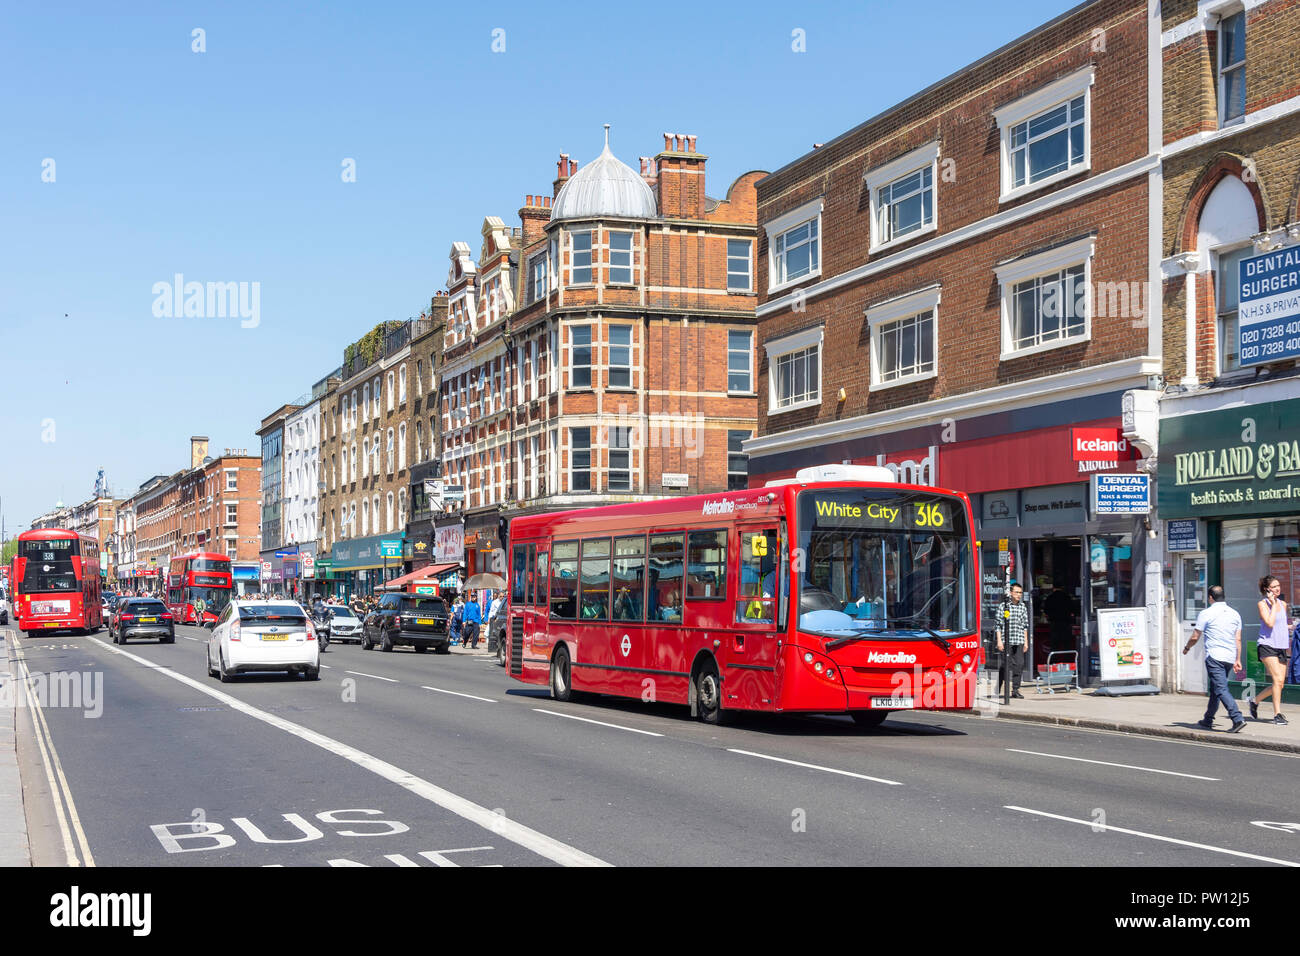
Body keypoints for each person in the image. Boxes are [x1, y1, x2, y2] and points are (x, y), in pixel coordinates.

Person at [1183, 584, 1246, 733]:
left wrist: (1187, 648)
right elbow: (1238, 639)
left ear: (1210, 597)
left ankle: (1237, 718)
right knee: (1216, 689)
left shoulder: (1206, 613)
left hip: (1215, 657)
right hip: (1230, 657)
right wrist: (1238, 659)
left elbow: (1195, 636)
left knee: (1221, 688)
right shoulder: (1235, 614)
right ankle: (1208, 719)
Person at [1247, 576, 1289, 725]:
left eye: (1279, 585)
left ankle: (1254, 701)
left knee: (1280, 683)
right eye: (1274, 586)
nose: (1278, 588)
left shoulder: (1283, 604)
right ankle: (1277, 714)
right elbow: (1270, 623)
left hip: (1281, 646)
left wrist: (1292, 627)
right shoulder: (1263, 604)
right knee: (1277, 680)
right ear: (1267, 589)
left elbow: (1281, 625)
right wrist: (1271, 603)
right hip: (1267, 645)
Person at [995, 582, 1029, 699]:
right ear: (1011, 593)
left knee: (1019, 664)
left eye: (1020, 593)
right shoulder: (1004, 606)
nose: (1019, 595)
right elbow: (998, 625)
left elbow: (1025, 625)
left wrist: (1026, 642)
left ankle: (1015, 690)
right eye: (1017, 592)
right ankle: (999, 686)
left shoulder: (1023, 606)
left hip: (1019, 640)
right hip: (1006, 640)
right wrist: (999, 641)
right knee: (1006, 665)